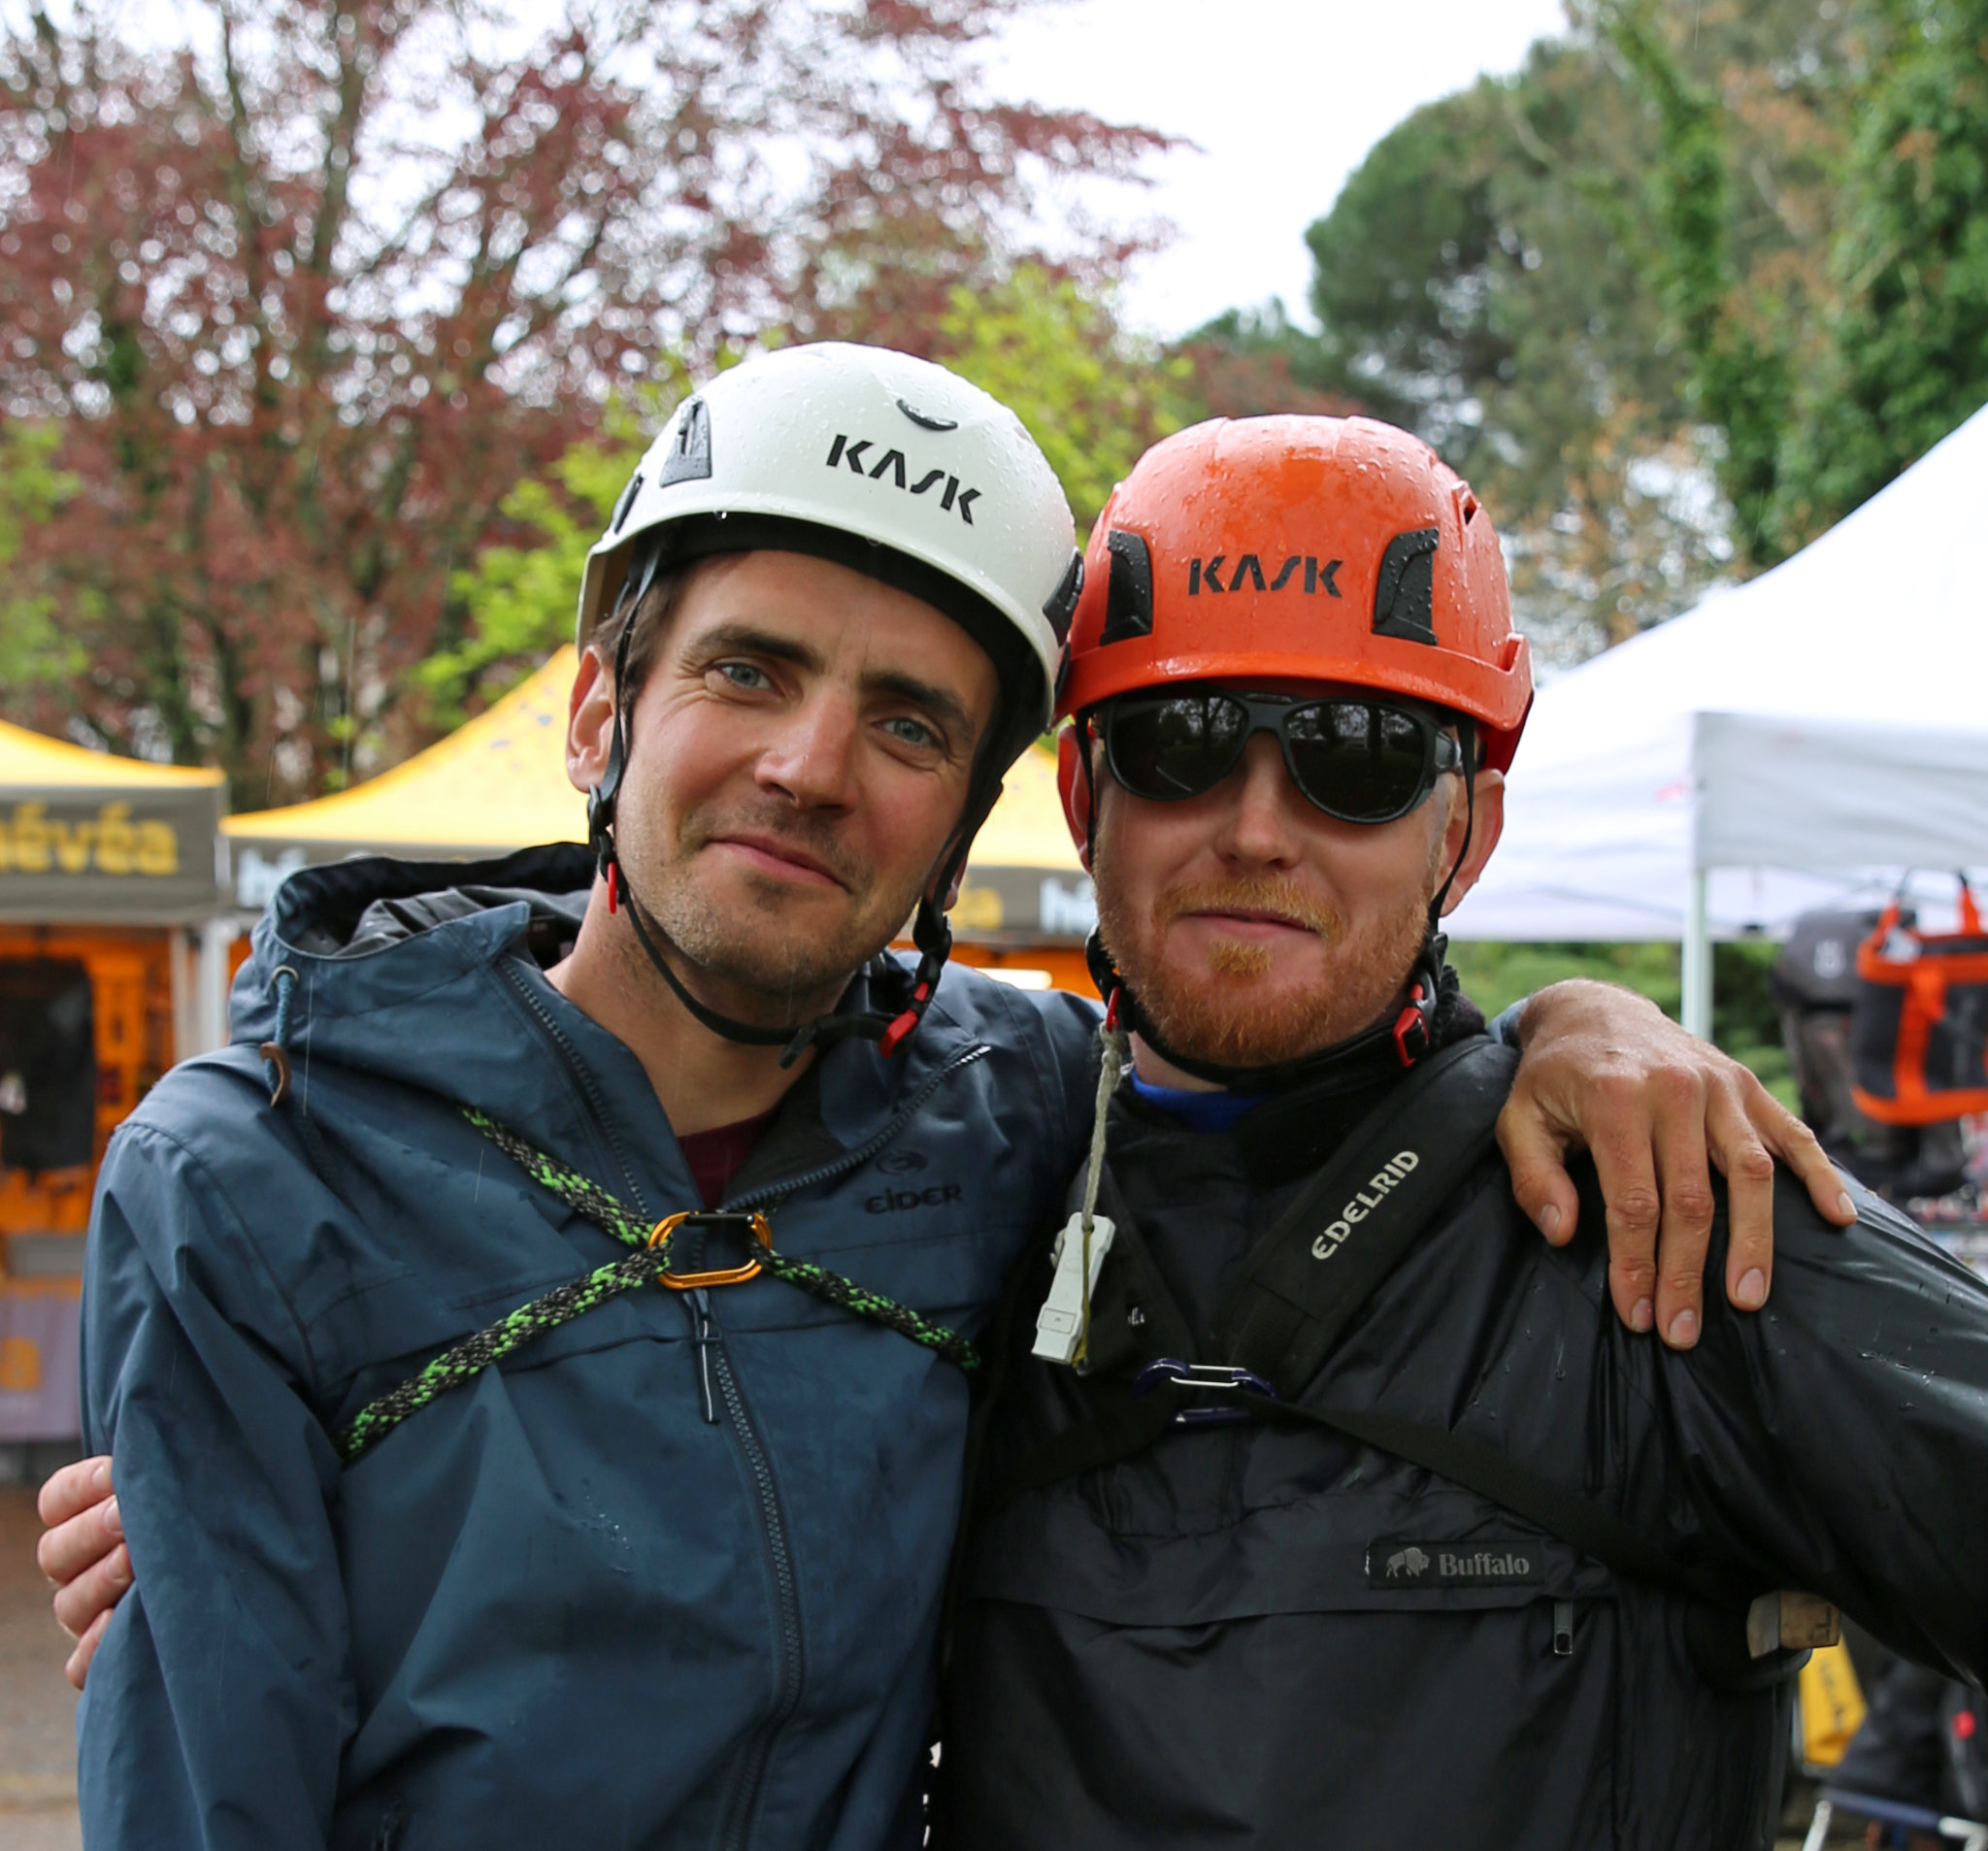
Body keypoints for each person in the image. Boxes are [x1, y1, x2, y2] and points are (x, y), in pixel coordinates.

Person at [40, 351, 1847, 1851]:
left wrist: (1582, 1027)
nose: (811, 765)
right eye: (748, 668)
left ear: (969, 819)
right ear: (601, 713)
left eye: (909, 723)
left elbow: (1294, 1040)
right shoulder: (255, 1176)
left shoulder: (1019, 1113)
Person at [931, 414, 1988, 1850]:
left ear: (1465, 836)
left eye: (1354, 758)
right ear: (1082, 796)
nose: (1255, 826)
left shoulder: (1668, 1214)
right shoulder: (939, 1181)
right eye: (1179, 746)